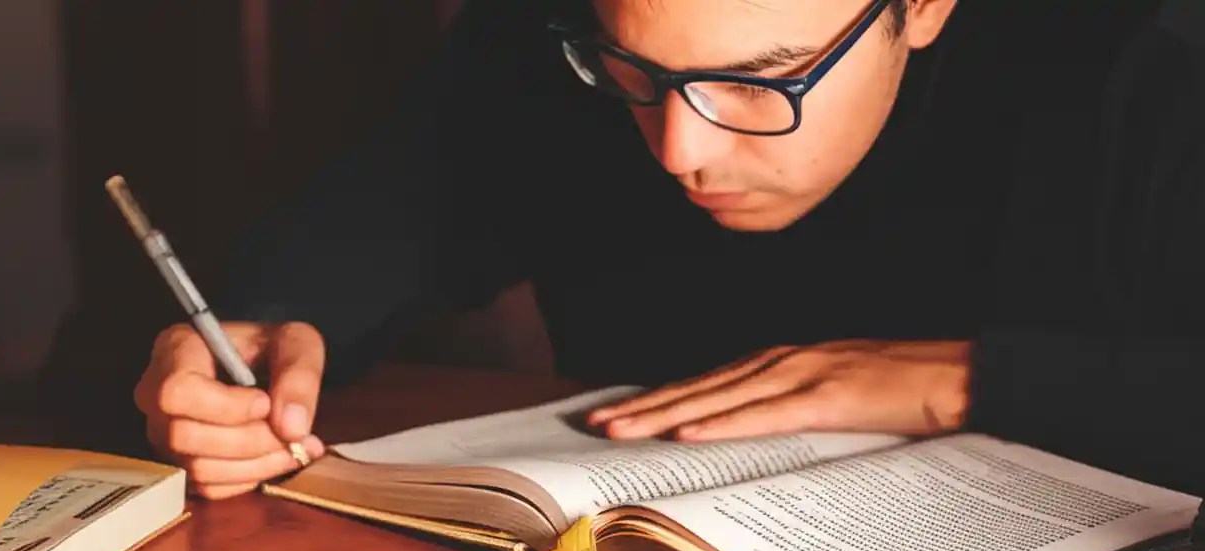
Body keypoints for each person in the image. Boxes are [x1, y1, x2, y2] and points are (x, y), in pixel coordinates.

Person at [133, 0, 1205, 501]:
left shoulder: (1146, 71)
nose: (678, 150)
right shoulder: (544, 40)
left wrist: (966, 380)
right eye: (629, 72)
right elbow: (384, 214)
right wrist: (267, 328)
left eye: (760, 79)